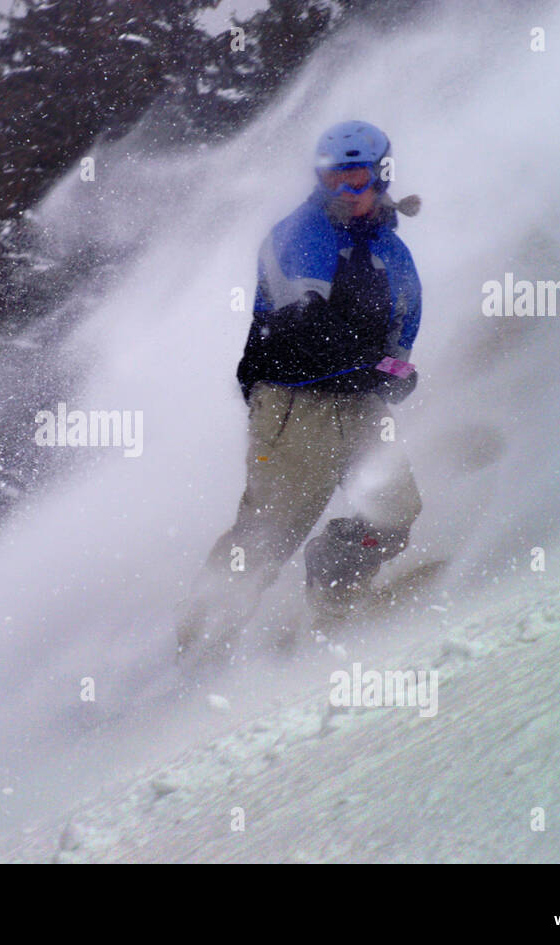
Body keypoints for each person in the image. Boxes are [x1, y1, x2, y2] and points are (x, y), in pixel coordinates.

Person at [177, 119, 425, 661]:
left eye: (357, 180)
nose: (346, 192)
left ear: (381, 176)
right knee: (266, 538)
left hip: (358, 405)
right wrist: (373, 369)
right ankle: (199, 651)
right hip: (296, 405)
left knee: (393, 512)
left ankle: (335, 605)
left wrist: (395, 373)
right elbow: (303, 327)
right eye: (335, 180)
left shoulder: (392, 253)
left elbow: (400, 330)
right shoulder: (301, 235)